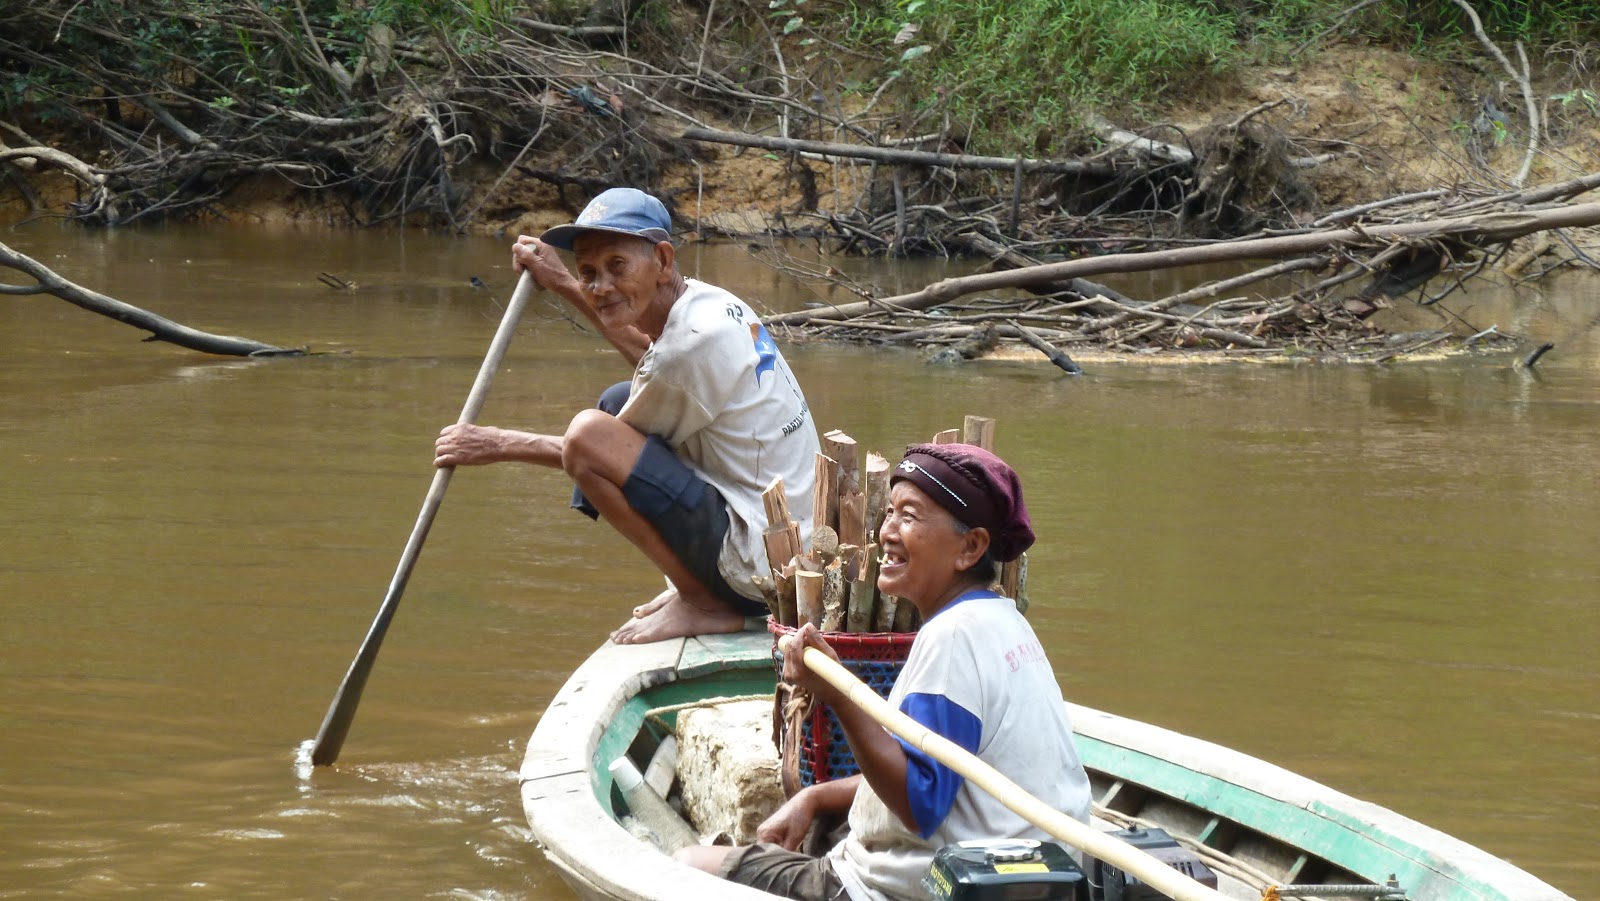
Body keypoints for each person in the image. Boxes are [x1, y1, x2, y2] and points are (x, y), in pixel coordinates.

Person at [679, 443, 1093, 900]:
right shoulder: (1003, 620)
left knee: (688, 867)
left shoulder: (953, 638)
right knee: (823, 826)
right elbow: (943, 768)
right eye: (889, 512)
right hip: (1034, 881)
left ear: (970, 547)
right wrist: (815, 796)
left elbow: (920, 805)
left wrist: (837, 693)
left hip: (920, 890)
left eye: (909, 517)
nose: (886, 532)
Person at [435, 187, 820, 644]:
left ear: (662, 259)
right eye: (588, 273)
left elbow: (594, 450)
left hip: (763, 567)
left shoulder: (691, 344)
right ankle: (695, 588)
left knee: (590, 432)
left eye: (617, 266)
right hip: (786, 545)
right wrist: (559, 282)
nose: (600, 286)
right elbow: (651, 366)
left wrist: (497, 444)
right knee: (619, 402)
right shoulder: (706, 303)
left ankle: (705, 602)